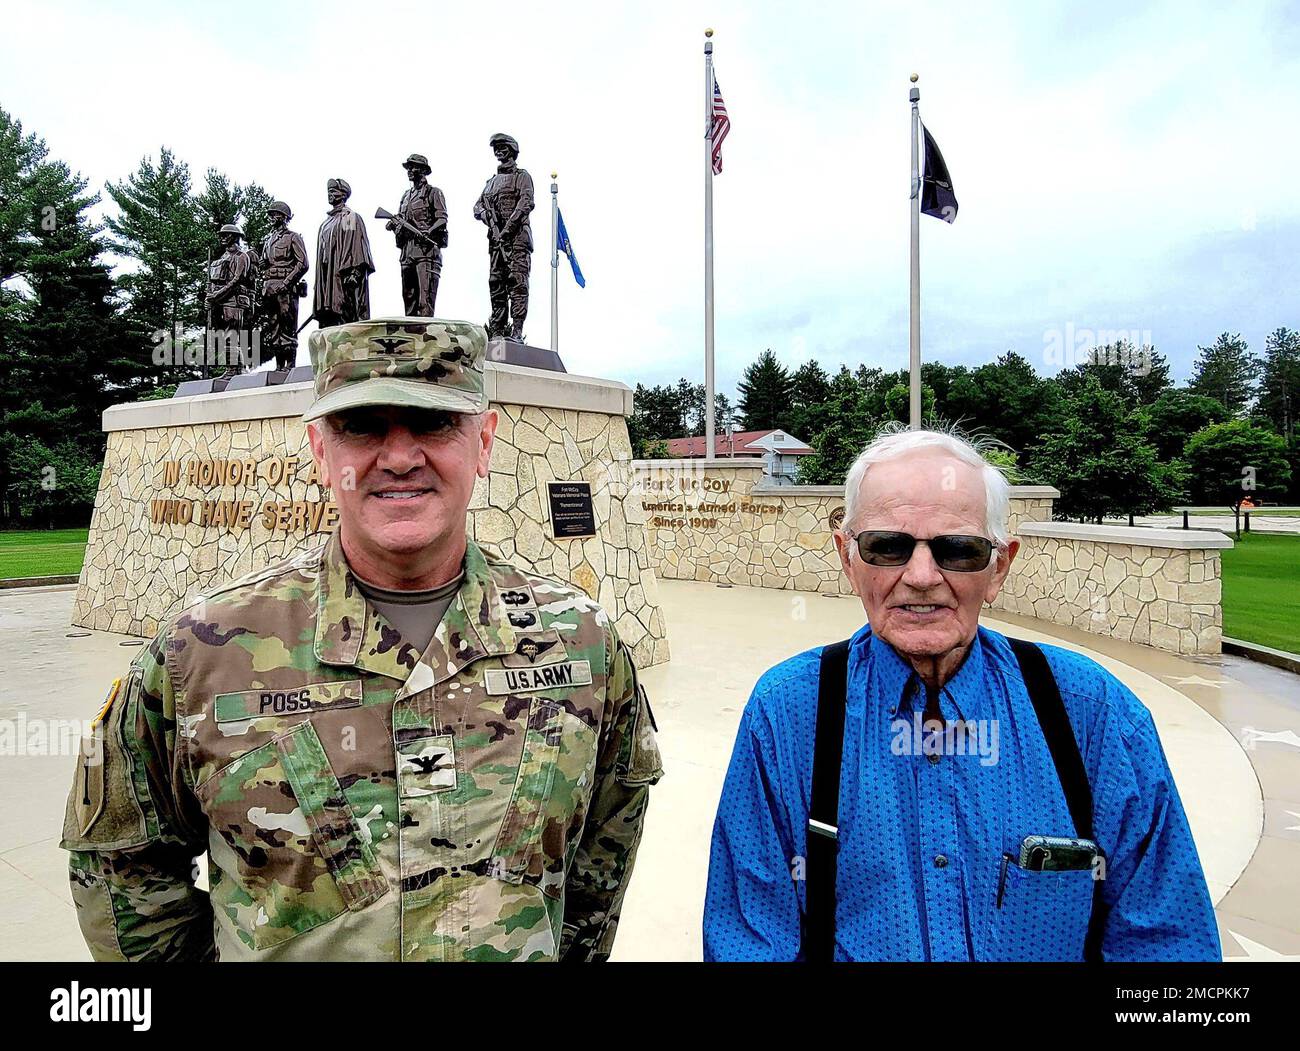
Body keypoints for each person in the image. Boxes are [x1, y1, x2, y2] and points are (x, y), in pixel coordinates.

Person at [61, 317, 663, 962]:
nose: (400, 457)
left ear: (483, 443)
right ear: (321, 450)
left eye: (434, 424)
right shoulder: (200, 654)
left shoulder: (584, 647)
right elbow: (122, 871)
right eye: (362, 425)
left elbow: (601, 868)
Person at [703, 427, 1219, 961]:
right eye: (887, 547)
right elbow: (749, 942)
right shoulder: (788, 714)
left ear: (999, 567)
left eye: (959, 550)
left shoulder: (1094, 714)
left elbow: (1166, 942)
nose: (921, 576)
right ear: (847, 560)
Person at [473, 133, 533, 340]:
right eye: (495, 147)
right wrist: (484, 216)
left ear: (512, 149)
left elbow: (525, 203)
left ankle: (516, 332)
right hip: (496, 242)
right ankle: (497, 331)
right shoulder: (490, 182)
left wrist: (507, 229)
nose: (498, 150)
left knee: (517, 283)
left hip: (516, 240)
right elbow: (477, 206)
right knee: (496, 283)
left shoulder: (522, 176)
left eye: (502, 146)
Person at [389, 153, 447, 318]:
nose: (409, 170)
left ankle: (424, 338)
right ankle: (411, 335)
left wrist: (429, 230)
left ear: (423, 170)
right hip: (407, 252)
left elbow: (442, 218)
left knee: (424, 300)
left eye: (413, 167)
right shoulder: (405, 196)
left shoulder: (433, 193)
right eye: (408, 167)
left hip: (426, 251)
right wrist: (394, 224)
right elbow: (401, 220)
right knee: (408, 298)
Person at [314, 178, 375, 327]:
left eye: (333, 191)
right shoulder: (326, 223)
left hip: (342, 276)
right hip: (327, 276)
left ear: (343, 195)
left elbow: (354, 246)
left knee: (345, 311)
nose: (330, 194)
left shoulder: (348, 217)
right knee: (329, 317)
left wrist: (354, 271)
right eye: (329, 191)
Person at [255, 201, 308, 371]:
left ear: (283, 217)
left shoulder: (293, 237)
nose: (271, 218)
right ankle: (279, 365)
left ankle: (290, 365)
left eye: (274, 214)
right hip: (269, 287)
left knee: (287, 325)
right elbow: (265, 263)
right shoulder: (269, 240)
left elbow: (303, 263)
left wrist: (287, 283)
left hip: (285, 288)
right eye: (270, 215)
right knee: (274, 326)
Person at [205, 224, 255, 373]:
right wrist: (210, 298)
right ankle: (231, 368)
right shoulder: (223, 258)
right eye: (221, 235)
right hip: (222, 301)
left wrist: (216, 295)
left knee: (232, 336)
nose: (222, 238)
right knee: (224, 337)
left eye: (226, 235)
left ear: (234, 237)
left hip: (234, 301)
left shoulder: (241, 256)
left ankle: (235, 369)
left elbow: (236, 280)